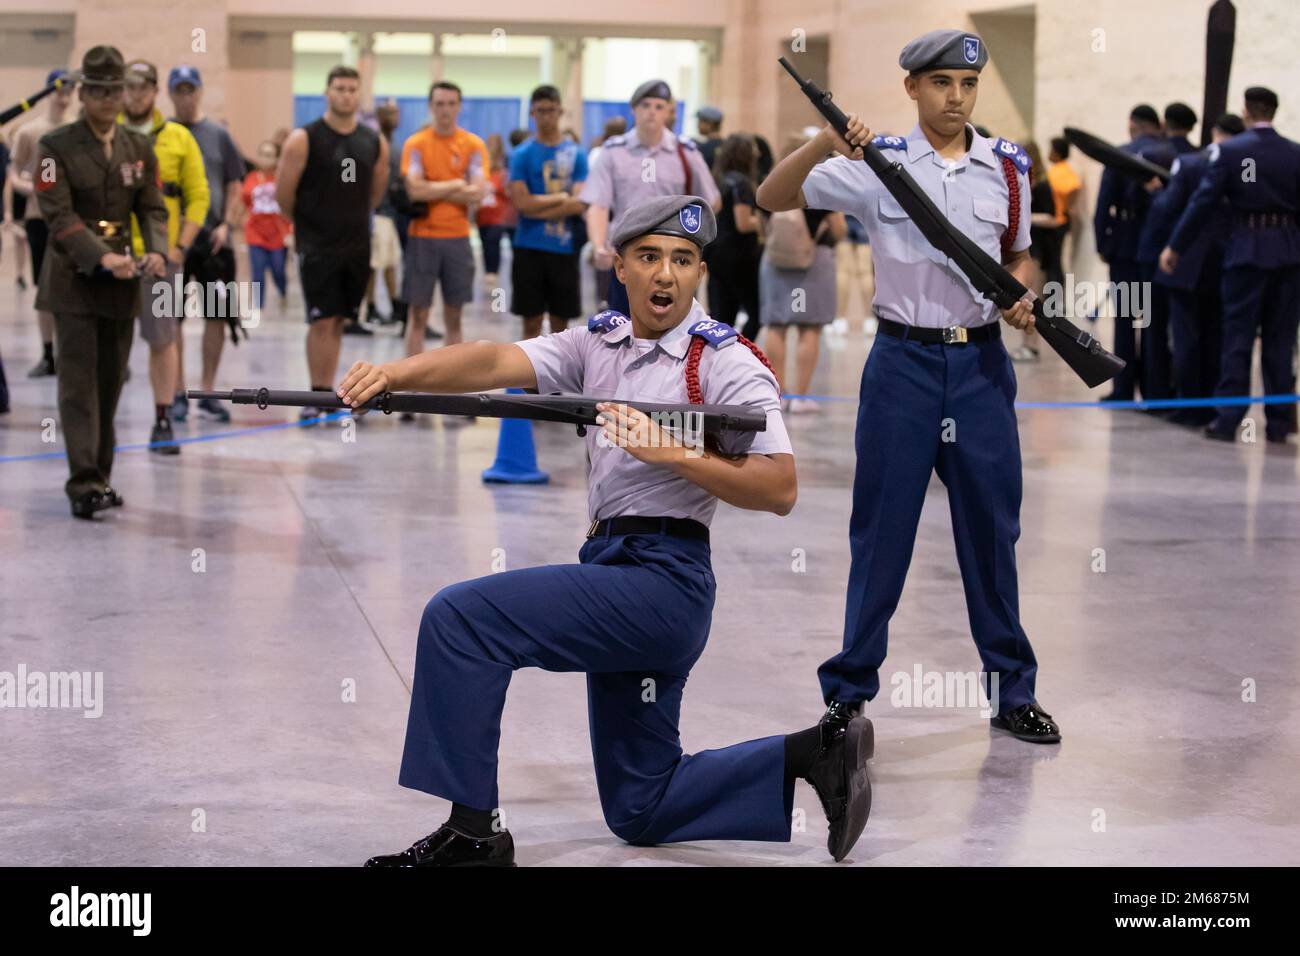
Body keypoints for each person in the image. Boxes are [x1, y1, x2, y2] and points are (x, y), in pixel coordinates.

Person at [337, 195, 874, 866]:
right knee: (639, 806)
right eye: (649, 258)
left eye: (682, 260)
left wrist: (671, 451)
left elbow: (781, 486)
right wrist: (394, 373)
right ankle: (811, 754)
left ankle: (473, 834)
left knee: (461, 621)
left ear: (699, 271)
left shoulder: (721, 361)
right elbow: (494, 362)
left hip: (664, 582)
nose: (666, 275)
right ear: (620, 266)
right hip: (613, 567)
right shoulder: (600, 342)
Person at [758, 28, 1060, 747]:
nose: (956, 97)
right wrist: (826, 140)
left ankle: (1012, 692)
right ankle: (849, 692)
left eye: (968, 85)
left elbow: (1022, 257)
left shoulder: (1008, 169)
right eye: (941, 84)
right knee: (882, 531)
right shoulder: (878, 164)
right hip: (902, 366)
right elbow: (773, 195)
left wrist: (1024, 298)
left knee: (992, 533)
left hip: (981, 370)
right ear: (912, 89)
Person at [34, 45, 167, 518]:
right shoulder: (55, 147)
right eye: (99, 91)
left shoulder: (139, 147)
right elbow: (58, 216)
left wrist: (155, 249)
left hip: (122, 284)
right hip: (73, 282)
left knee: (110, 386)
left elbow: (152, 207)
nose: (110, 99)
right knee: (78, 388)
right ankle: (83, 482)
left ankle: (101, 477)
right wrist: (102, 256)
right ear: (82, 94)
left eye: (117, 90)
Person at [1162, 86, 1300, 445]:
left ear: (1246, 112)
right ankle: (1279, 423)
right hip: (1288, 253)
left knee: (1237, 338)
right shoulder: (1294, 154)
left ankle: (1227, 420)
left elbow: (1203, 203)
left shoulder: (1231, 151)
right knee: (1279, 341)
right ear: (1274, 110)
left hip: (1246, 253)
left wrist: (1176, 245)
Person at [276, 65, 388, 420]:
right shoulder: (304, 138)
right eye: (339, 88)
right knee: (321, 320)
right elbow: (284, 196)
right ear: (327, 92)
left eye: (353, 89)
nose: (346, 95)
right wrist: (312, 227)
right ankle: (318, 393)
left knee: (339, 320)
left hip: (355, 245)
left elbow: (375, 193)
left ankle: (332, 392)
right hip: (317, 246)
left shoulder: (374, 141)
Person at [120, 59, 209, 455]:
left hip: (161, 260)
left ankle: (162, 418)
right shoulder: (109, 134)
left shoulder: (178, 138)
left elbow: (199, 197)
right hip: (115, 259)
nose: (136, 94)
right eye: (129, 86)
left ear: (155, 91)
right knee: (112, 340)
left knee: (162, 338)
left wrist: (178, 249)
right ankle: (104, 417)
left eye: (143, 87)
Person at [582, 79, 721, 318]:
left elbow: (710, 202)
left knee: (675, 331)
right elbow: (598, 204)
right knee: (621, 328)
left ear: (668, 111)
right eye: (645, 105)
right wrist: (598, 246)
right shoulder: (615, 152)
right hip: (629, 256)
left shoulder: (685, 153)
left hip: (674, 259)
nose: (652, 112)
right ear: (633, 109)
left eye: (659, 106)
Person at [1148, 113, 1244, 427]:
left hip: (1187, 260)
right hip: (1227, 261)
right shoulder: (1247, 168)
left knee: (1186, 336)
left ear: (1215, 132)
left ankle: (1189, 407)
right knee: (1217, 337)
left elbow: (1167, 209)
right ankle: (1212, 405)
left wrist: (1156, 193)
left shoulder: (1190, 164)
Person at [167, 65, 247, 424]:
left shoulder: (219, 134)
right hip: (174, 241)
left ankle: (209, 391)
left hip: (213, 239)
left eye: (190, 90)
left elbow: (235, 184)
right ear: (170, 94)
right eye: (179, 91)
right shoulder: (163, 135)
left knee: (216, 315)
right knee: (172, 318)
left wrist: (227, 225)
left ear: (199, 92)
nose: (185, 97)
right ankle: (178, 391)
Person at [399, 80, 488, 356]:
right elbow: (414, 190)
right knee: (419, 315)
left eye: (451, 103)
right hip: (422, 237)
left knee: (454, 315)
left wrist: (433, 188)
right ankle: (411, 381)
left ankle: (449, 384)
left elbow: (476, 193)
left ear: (459, 106)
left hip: (458, 237)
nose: (445, 110)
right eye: (439, 104)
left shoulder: (473, 145)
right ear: (430, 106)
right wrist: (455, 184)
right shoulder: (416, 143)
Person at [760, 136, 846, 411]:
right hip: (814, 262)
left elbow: (762, 224)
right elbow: (839, 230)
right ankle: (801, 397)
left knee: (777, 327)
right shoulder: (819, 184)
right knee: (810, 329)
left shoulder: (773, 182)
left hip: (776, 261)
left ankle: (779, 394)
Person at [1094, 103, 1164, 402]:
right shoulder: (1167, 154)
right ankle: (1152, 387)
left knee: (1124, 319)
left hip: (1123, 244)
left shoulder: (1118, 155)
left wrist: (1103, 244)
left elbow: (1103, 207)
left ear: (1132, 124)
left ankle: (1122, 389)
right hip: (1154, 243)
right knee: (1151, 320)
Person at [507, 84, 588, 339]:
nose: (546, 117)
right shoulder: (522, 154)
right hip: (529, 246)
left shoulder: (576, 154)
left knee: (560, 325)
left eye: (551, 110)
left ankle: (559, 379)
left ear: (560, 111)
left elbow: (580, 203)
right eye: (540, 111)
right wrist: (560, 199)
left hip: (563, 248)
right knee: (530, 322)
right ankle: (529, 377)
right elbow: (522, 205)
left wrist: (538, 205)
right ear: (532, 113)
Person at [7, 68, 74, 379]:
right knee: (44, 290)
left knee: (73, 287)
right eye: (60, 89)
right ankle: (48, 353)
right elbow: (13, 174)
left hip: (71, 220)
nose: (65, 96)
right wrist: (32, 190)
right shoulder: (30, 132)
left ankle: (70, 352)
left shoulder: (77, 130)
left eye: (69, 89)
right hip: (39, 219)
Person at [1135, 103, 1199, 404]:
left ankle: (1156, 392)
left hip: (1153, 250)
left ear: (1164, 122)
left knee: (1153, 326)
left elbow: (1155, 207)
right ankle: (1182, 390)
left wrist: (1155, 193)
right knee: (1184, 327)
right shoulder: (1199, 156)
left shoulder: (1152, 155)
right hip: (1186, 252)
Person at [705, 133, 762, 340]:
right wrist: (763, 222)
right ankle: (741, 353)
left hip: (715, 252)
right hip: (740, 257)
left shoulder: (716, 180)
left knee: (721, 317)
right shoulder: (742, 183)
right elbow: (744, 223)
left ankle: (715, 362)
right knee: (756, 314)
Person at [1012, 140, 1059, 363]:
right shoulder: (1023, 182)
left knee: (1033, 299)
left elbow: (1052, 217)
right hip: (1029, 245)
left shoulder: (1043, 185)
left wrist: (1025, 219)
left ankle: (1033, 346)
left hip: (1039, 247)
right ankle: (1026, 345)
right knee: (1025, 297)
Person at [240, 139, 291, 319]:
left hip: (277, 233)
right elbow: (244, 201)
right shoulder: (251, 178)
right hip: (255, 232)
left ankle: (283, 290)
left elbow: (290, 205)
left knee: (278, 269)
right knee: (258, 272)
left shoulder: (283, 178)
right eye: (262, 154)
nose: (265, 159)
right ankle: (258, 307)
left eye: (269, 155)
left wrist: (290, 232)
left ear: (277, 159)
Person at [367, 99, 406, 329]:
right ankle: (375, 307)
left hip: (393, 213)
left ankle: (393, 307)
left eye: (396, 113)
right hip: (379, 212)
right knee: (378, 263)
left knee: (389, 262)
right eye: (390, 113)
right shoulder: (375, 143)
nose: (395, 117)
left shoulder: (395, 144)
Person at [477, 132, 512, 292]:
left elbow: (507, 192)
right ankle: (487, 270)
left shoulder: (503, 173)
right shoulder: (481, 171)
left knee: (493, 242)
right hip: (482, 214)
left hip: (497, 215)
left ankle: (493, 271)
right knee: (485, 243)